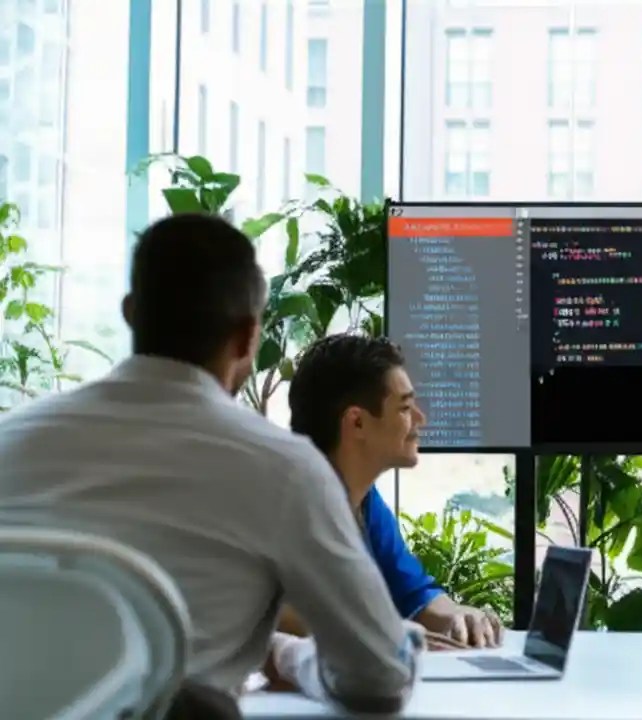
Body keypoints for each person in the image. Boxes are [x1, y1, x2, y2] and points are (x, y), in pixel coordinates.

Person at [0, 214, 421, 716]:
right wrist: (290, 657)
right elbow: (379, 677)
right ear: (247, 337)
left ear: (131, 313)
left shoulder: (11, 440)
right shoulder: (284, 469)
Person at [286, 333, 505, 648]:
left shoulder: (366, 503)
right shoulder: (285, 503)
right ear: (357, 423)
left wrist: (457, 616)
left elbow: (414, 592)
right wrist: (385, 634)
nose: (420, 419)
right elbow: (269, 610)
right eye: (405, 408)